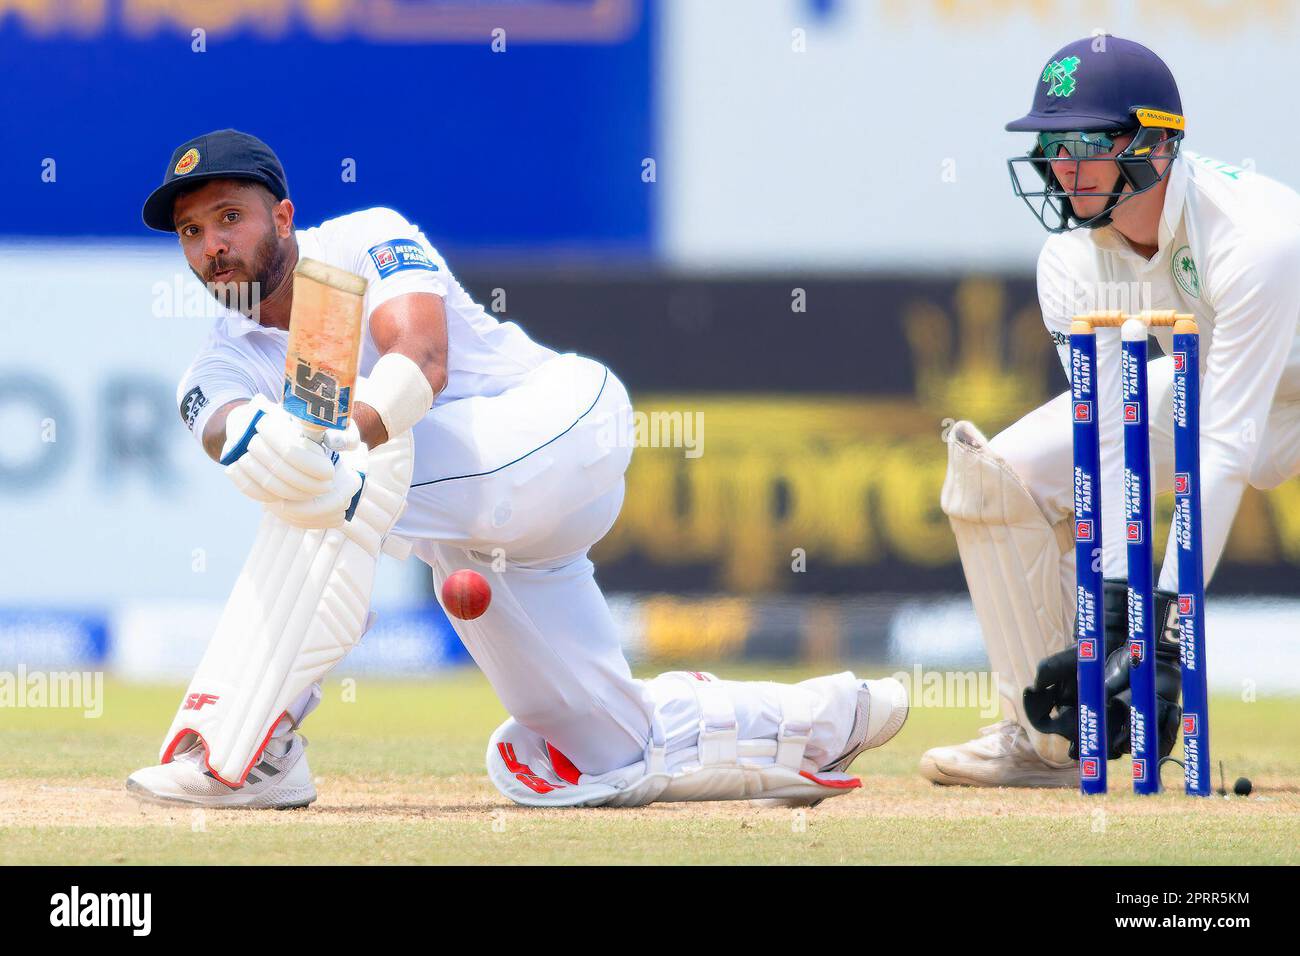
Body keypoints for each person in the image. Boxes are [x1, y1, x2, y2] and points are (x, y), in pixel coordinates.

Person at [125, 129, 909, 809]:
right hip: (481, 540)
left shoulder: (365, 238)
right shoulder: (220, 360)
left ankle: (246, 746)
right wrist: (252, 441)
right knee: (604, 751)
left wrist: (330, 445)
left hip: (553, 426)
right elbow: (220, 423)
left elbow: (420, 362)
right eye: (192, 233)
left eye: (229, 218)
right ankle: (826, 720)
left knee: (331, 487)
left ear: (284, 217)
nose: (212, 247)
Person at [924, 36, 1300, 787]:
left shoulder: (1258, 238)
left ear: (1157, 146)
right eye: (1054, 143)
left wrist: (1165, 637)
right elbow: (1109, 447)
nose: (1065, 164)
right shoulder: (1068, 261)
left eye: (1090, 142)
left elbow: (1222, 451)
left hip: (1271, 386)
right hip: (1225, 384)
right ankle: (1048, 743)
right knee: (994, 476)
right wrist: (1117, 615)